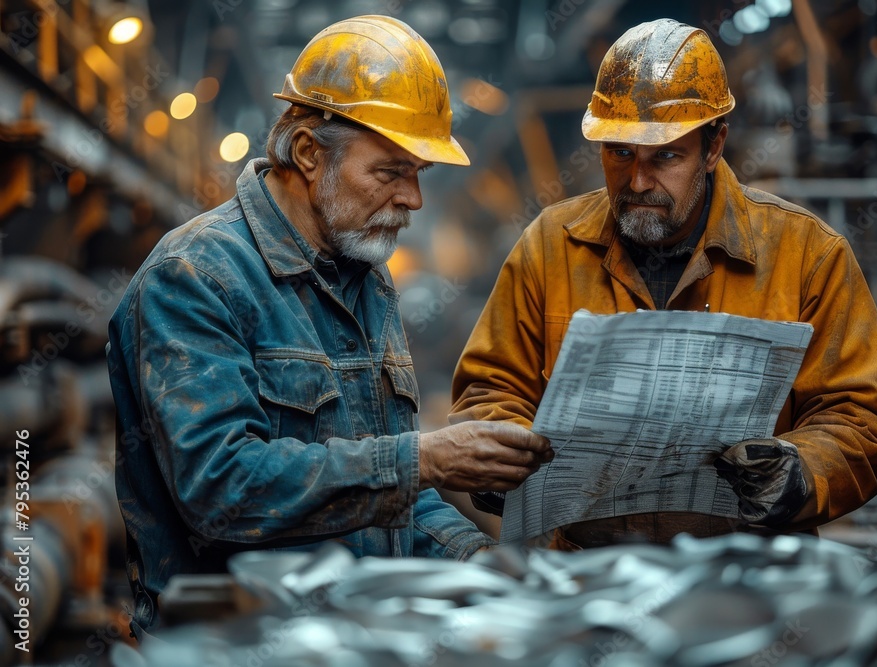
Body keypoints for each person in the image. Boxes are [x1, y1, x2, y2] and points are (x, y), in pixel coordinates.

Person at [107, 15, 551, 635]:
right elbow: (221, 490)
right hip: (235, 644)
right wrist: (424, 460)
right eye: (390, 171)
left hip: (359, 636)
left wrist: (482, 563)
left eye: (417, 174)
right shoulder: (196, 278)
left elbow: (397, 497)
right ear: (311, 154)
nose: (412, 199)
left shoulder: (367, 278)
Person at [450, 18, 877, 548]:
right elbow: (489, 390)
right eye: (620, 153)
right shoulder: (551, 246)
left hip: (753, 580)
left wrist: (803, 471)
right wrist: (503, 456)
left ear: (714, 148)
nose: (638, 181)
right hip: (593, 578)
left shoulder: (807, 255)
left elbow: (864, 419)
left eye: (665, 156)